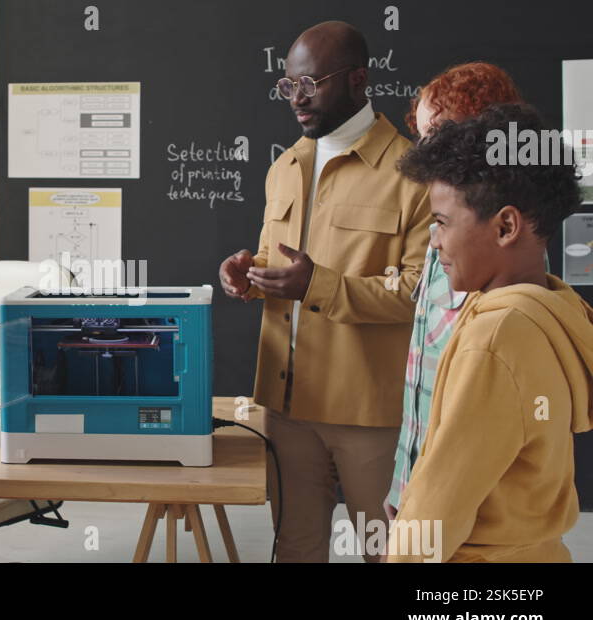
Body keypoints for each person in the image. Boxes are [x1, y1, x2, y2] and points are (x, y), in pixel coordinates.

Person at [218, 21, 432, 562]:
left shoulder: (413, 176)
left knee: (388, 552)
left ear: (359, 80)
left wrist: (318, 285)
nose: (297, 99)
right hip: (285, 407)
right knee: (294, 548)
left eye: (310, 84)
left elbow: (418, 295)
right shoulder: (285, 168)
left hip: (372, 414)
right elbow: (276, 263)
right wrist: (249, 275)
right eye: (288, 86)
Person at [388, 103, 593, 562]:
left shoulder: (495, 337)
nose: (434, 242)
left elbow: (437, 509)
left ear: (505, 226)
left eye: (441, 222)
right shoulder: (552, 311)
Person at [386, 63, 523, 519]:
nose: (426, 151)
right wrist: (402, 491)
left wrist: (425, 513)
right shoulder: (443, 233)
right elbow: (424, 379)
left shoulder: (499, 249)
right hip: (418, 482)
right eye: (422, 136)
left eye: (438, 135)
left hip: (461, 509)